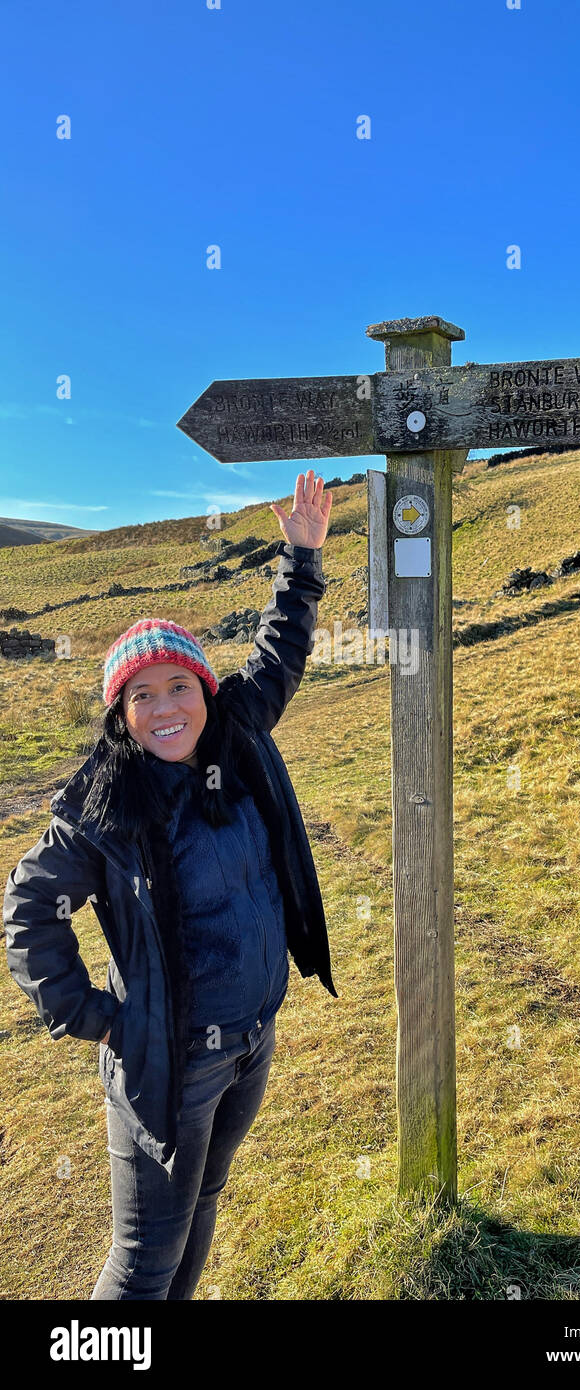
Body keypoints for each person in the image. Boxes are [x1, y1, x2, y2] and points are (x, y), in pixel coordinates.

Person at [3, 469, 336, 1300]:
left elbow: (279, 649)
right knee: (143, 1261)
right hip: (169, 1062)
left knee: (204, 1206)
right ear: (121, 716)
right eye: (140, 696)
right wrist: (90, 1016)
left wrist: (301, 558)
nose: (164, 709)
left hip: (251, 1042)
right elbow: (27, 907)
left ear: (203, 691)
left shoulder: (238, 732)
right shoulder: (101, 805)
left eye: (177, 686)